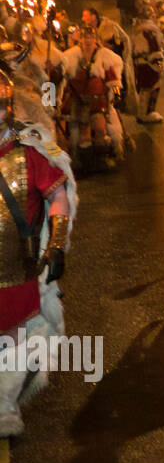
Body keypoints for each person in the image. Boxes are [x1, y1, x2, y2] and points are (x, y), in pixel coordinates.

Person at [0, 60, 77, 438]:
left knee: (12, 340)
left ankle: (5, 407)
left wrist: (57, 243)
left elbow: (58, 195)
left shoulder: (30, 152)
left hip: (15, 269)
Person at [61, 25, 126, 172]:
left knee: (100, 129)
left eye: (91, 37)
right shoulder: (70, 57)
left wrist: (116, 94)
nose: (88, 40)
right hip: (79, 102)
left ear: (96, 40)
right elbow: (56, 81)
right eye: (85, 37)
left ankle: (102, 159)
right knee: (83, 132)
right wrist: (50, 102)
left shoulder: (104, 56)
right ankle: (85, 163)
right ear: (80, 40)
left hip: (98, 101)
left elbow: (112, 78)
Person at [131, 3, 164, 124]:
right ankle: (145, 113)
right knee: (149, 87)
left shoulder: (142, 29)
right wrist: (156, 61)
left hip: (148, 63)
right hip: (148, 64)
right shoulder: (147, 31)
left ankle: (147, 112)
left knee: (151, 86)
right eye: (152, 15)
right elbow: (152, 48)